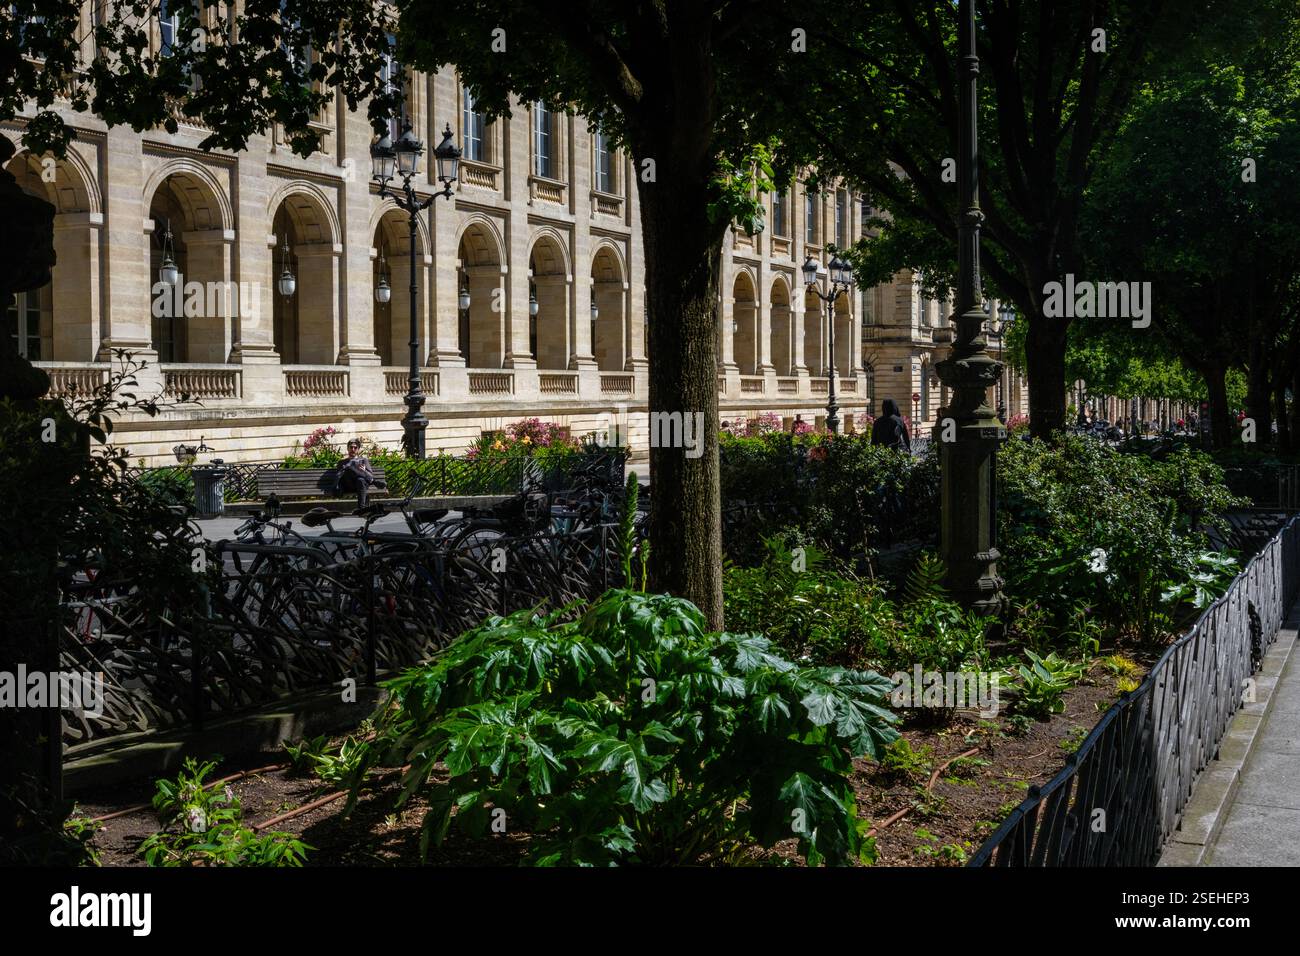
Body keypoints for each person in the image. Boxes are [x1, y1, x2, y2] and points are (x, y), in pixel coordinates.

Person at [336, 439, 386, 507]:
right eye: (351, 447)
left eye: (355, 447)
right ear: (348, 448)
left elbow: (370, 474)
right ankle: (374, 481)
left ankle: (361, 508)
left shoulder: (363, 460)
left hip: (360, 486)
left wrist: (364, 471)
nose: (353, 449)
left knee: (360, 480)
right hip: (348, 485)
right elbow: (339, 475)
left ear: (358, 449)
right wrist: (349, 468)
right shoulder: (341, 462)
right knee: (348, 467)